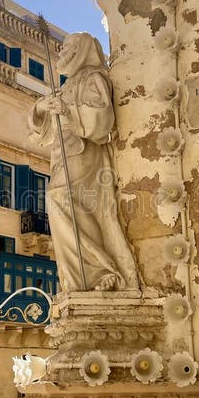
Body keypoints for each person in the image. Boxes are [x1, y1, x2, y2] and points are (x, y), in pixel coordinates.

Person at [29, 32, 139, 292]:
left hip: (84, 154)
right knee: (59, 208)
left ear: (82, 50)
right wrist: (42, 110)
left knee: (64, 200)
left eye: (68, 47)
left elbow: (102, 119)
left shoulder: (93, 78)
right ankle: (78, 280)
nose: (62, 52)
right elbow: (40, 135)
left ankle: (102, 270)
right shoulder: (66, 86)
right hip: (61, 156)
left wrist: (67, 112)